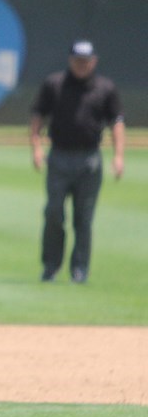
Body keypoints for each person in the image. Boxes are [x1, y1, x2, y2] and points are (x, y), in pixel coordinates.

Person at [29, 39, 125, 284]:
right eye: (77, 61)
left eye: (86, 61)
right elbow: (38, 116)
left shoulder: (105, 88)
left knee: (84, 217)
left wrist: (118, 155)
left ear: (94, 61)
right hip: (59, 156)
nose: (81, 65)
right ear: (70, 60)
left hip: (89, 159)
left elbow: (116, 122)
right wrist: (36, 148)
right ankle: (51, 266)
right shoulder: (55, 84)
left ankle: (80, 269)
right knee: (53, 212)